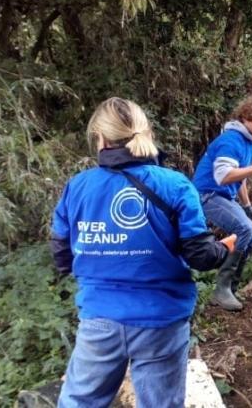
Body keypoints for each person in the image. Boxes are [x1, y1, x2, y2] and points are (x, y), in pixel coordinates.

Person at [51, 97, 237, 408]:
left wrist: (105, 252)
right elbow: (200, 256)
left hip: (100, 317)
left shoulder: (78, 186)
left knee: (79, 402)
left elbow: (60, 255)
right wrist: (223, 248)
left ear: (100, 138)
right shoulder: (175, 185)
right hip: (161, 320)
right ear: (145, 133)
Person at [192, 94, 252, 311]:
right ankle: (221, 289)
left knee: (249, 234)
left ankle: (231, 287)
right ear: (244, 118)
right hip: (206, 195)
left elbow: (239, 177)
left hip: (222, 196)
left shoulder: (249, 142)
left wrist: (247, 205)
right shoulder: (231, 140)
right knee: (244, 228)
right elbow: (223, 176)